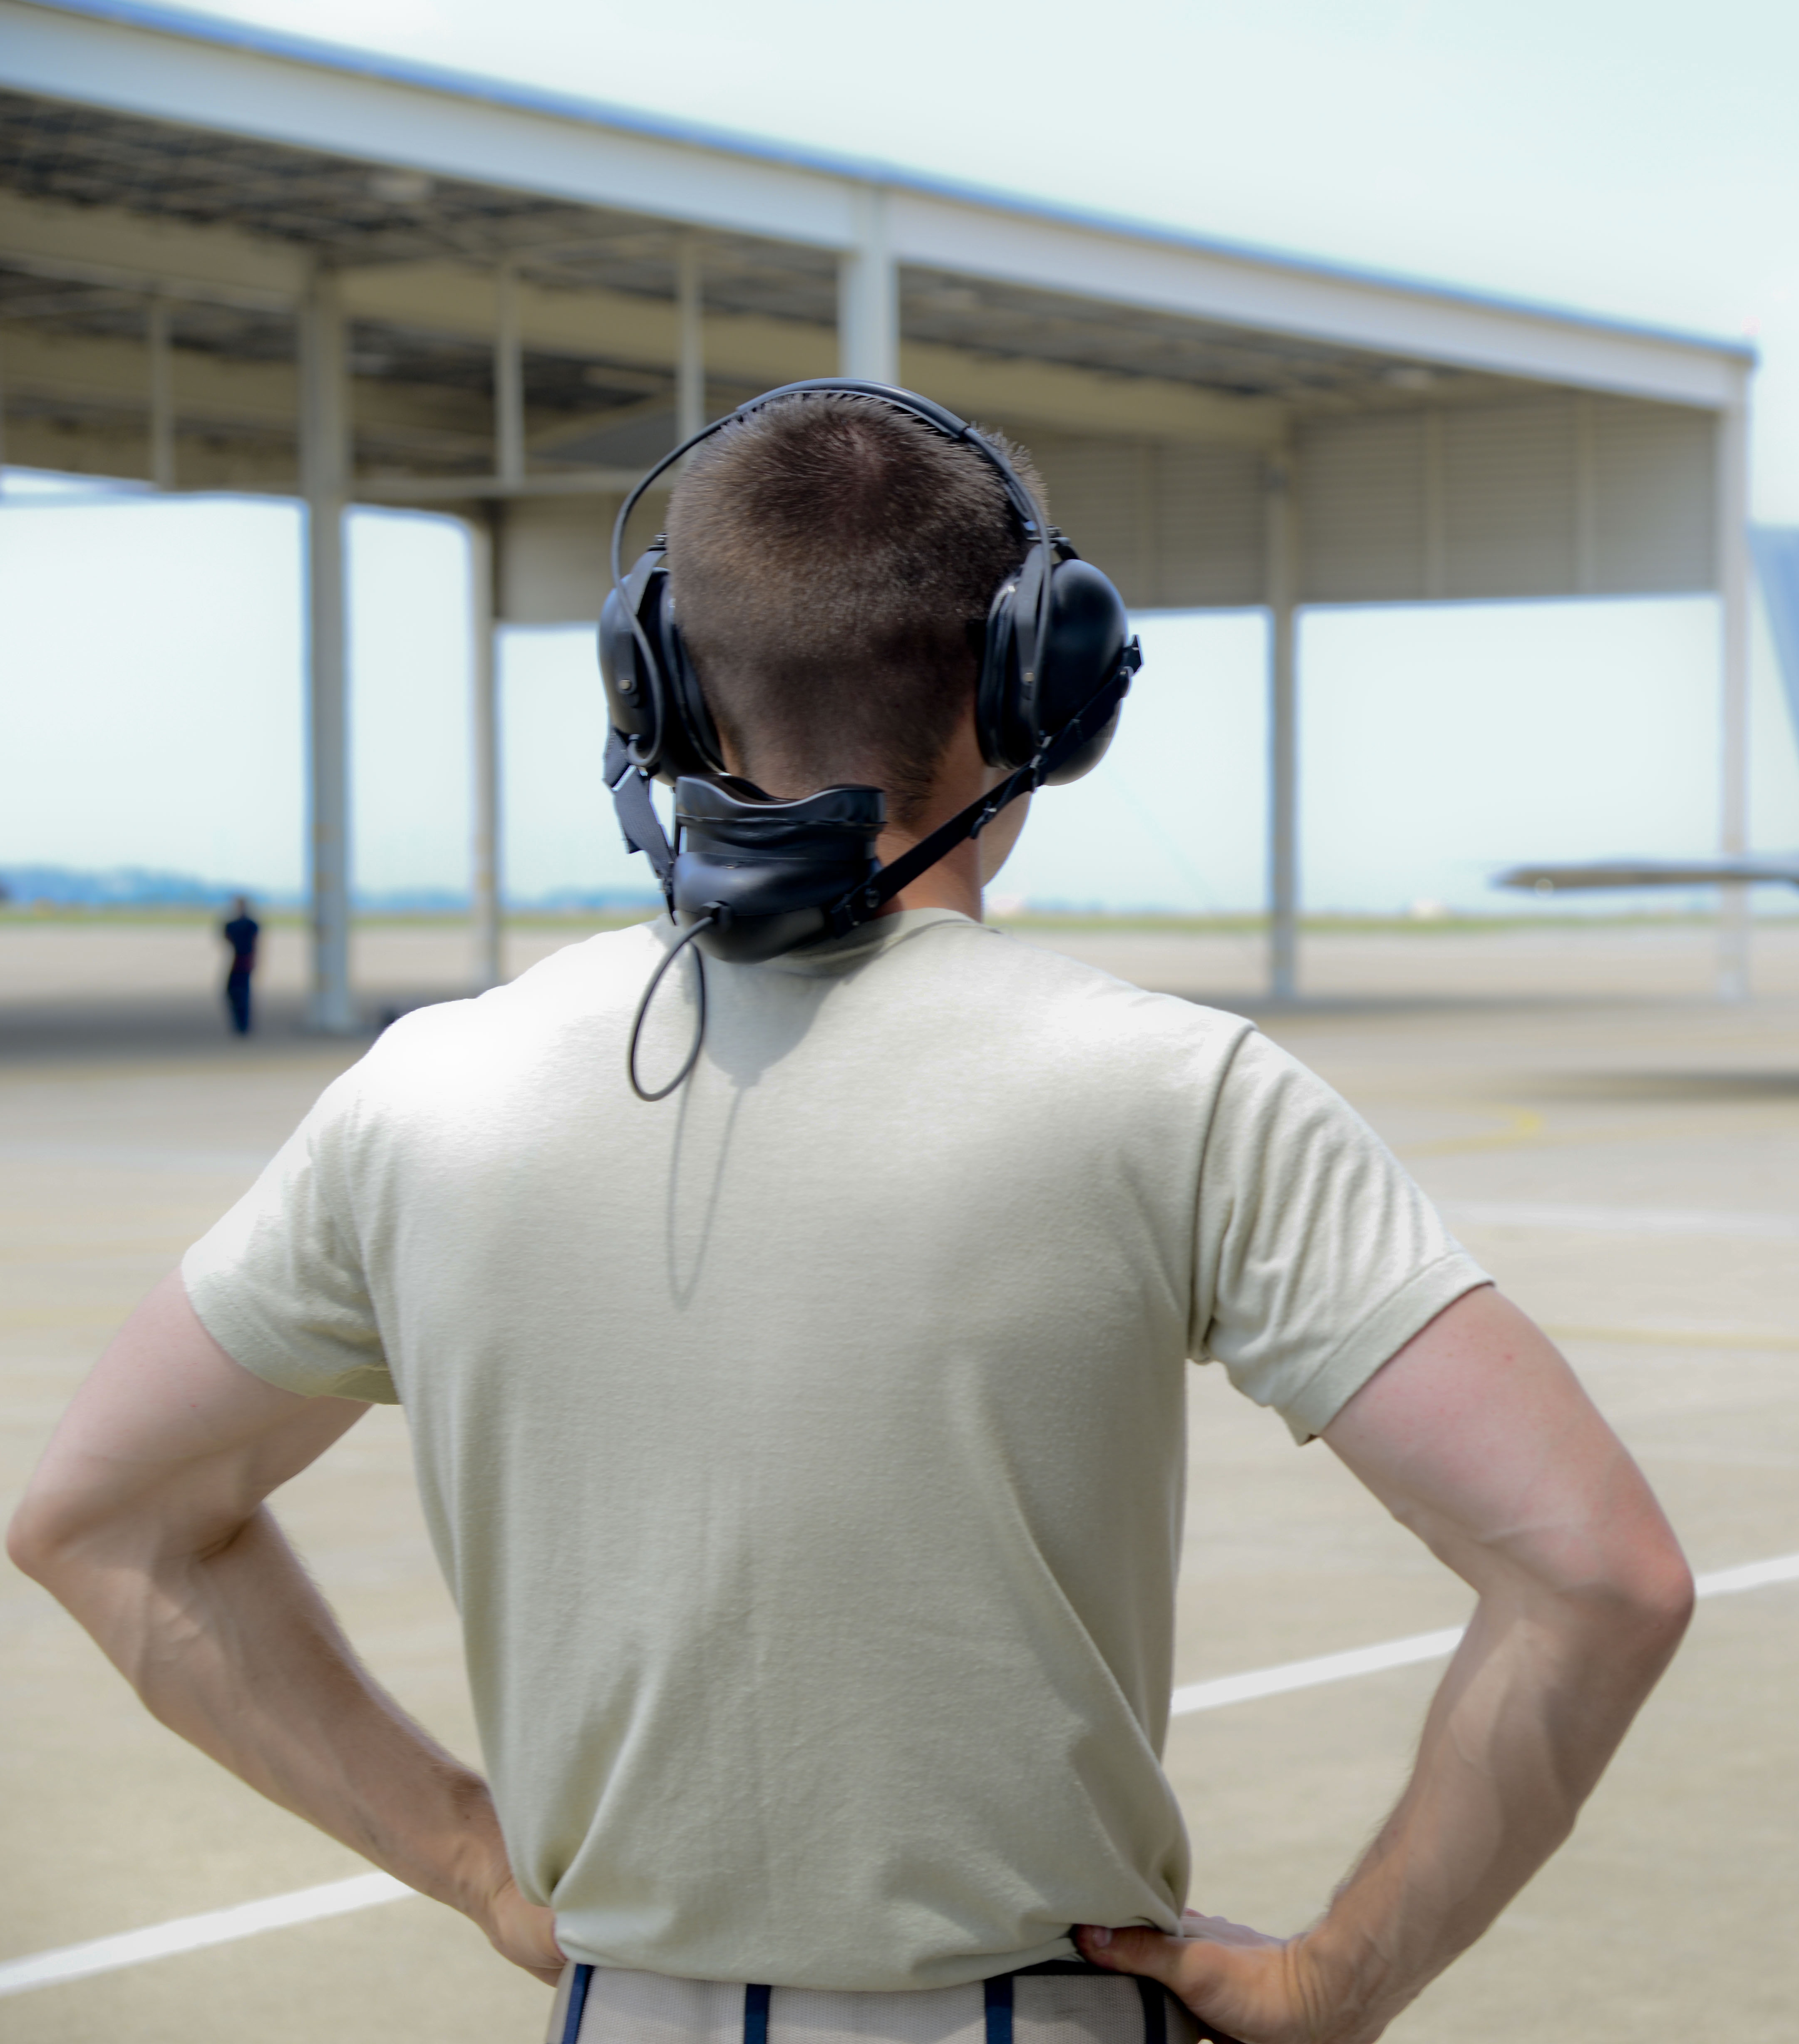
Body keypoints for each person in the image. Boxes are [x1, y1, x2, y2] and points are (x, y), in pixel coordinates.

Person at [10, 389, 1693, 2044]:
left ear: (655, 690)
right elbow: (1599, 1576)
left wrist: (469, 1854)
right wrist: (1339, 1981)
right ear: (1039, 686)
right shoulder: (1182, 1093)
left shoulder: (424, 1095)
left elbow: (98, 1520)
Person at [218, 893, 260, 1034]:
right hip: (239, 960)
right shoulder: (245, 924)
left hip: (243, 960)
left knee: (240, 993)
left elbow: (254, 943)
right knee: (235, 992)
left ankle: (243, 1025)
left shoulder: (247, 925)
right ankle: (241, 1025)